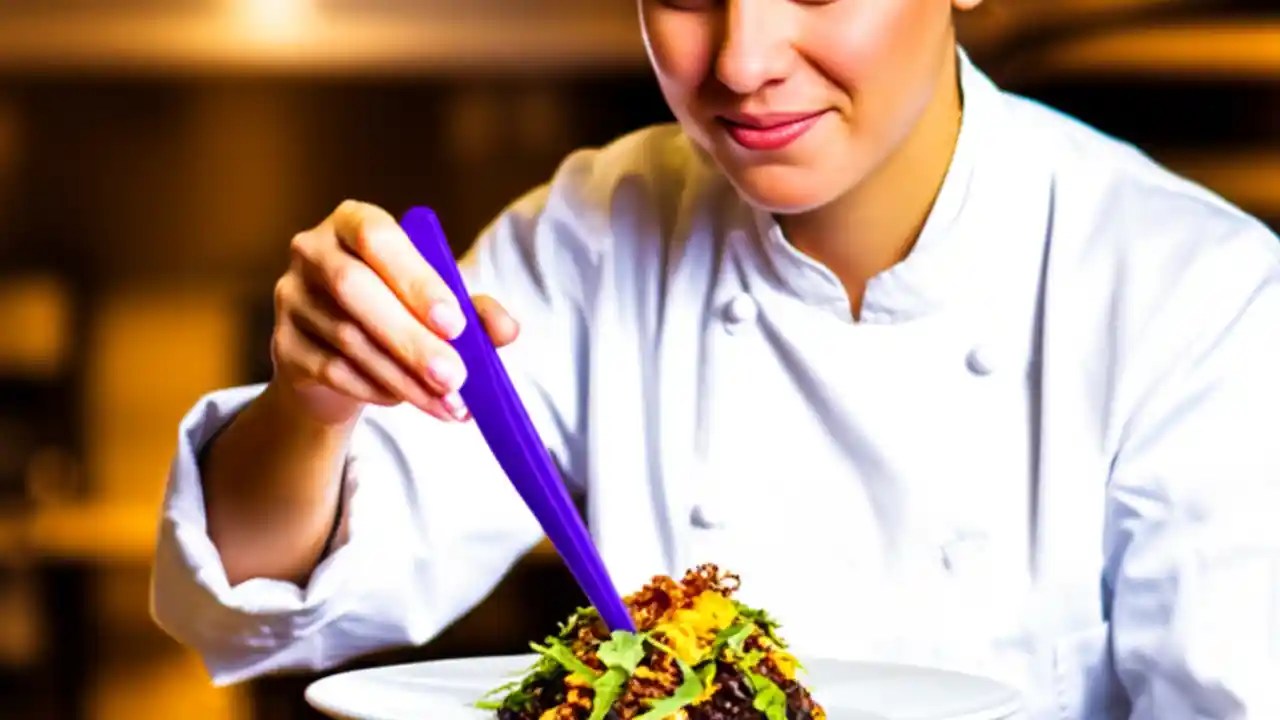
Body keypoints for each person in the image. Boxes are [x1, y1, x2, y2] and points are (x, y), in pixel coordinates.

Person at [150, 1, 1280, 718]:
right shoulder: (597, 228)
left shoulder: (1192, 292)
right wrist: (312, 407)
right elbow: (260, 609)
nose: (741, 58)